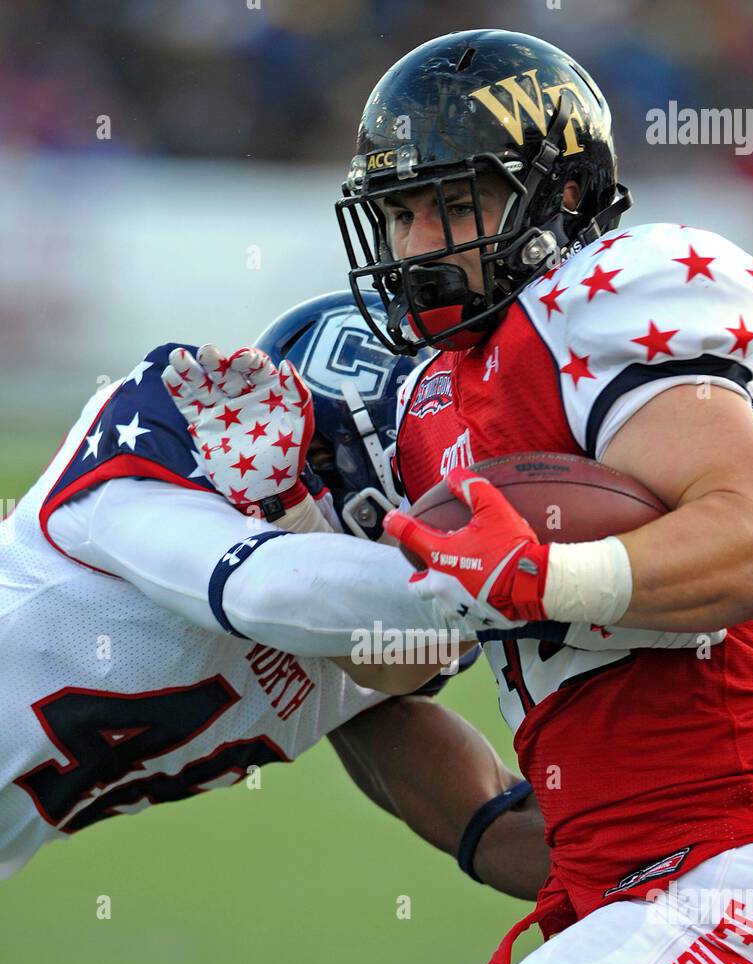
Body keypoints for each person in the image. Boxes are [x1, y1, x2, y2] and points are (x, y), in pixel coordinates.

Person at [328, 29, 753, 964]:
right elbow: (380, 685)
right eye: (405, 213)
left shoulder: (600, 301)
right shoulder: (443, 388)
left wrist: (549, 577)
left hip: (747, 857)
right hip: (643, 880)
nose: (426, 243)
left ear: (562, 194)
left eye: (459, 201)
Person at [0, 290, 544, 898]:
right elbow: (265, 594)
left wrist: (651, 868)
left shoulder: (386, 621)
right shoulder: (164, 440)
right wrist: (572, 578)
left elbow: (497, 830)